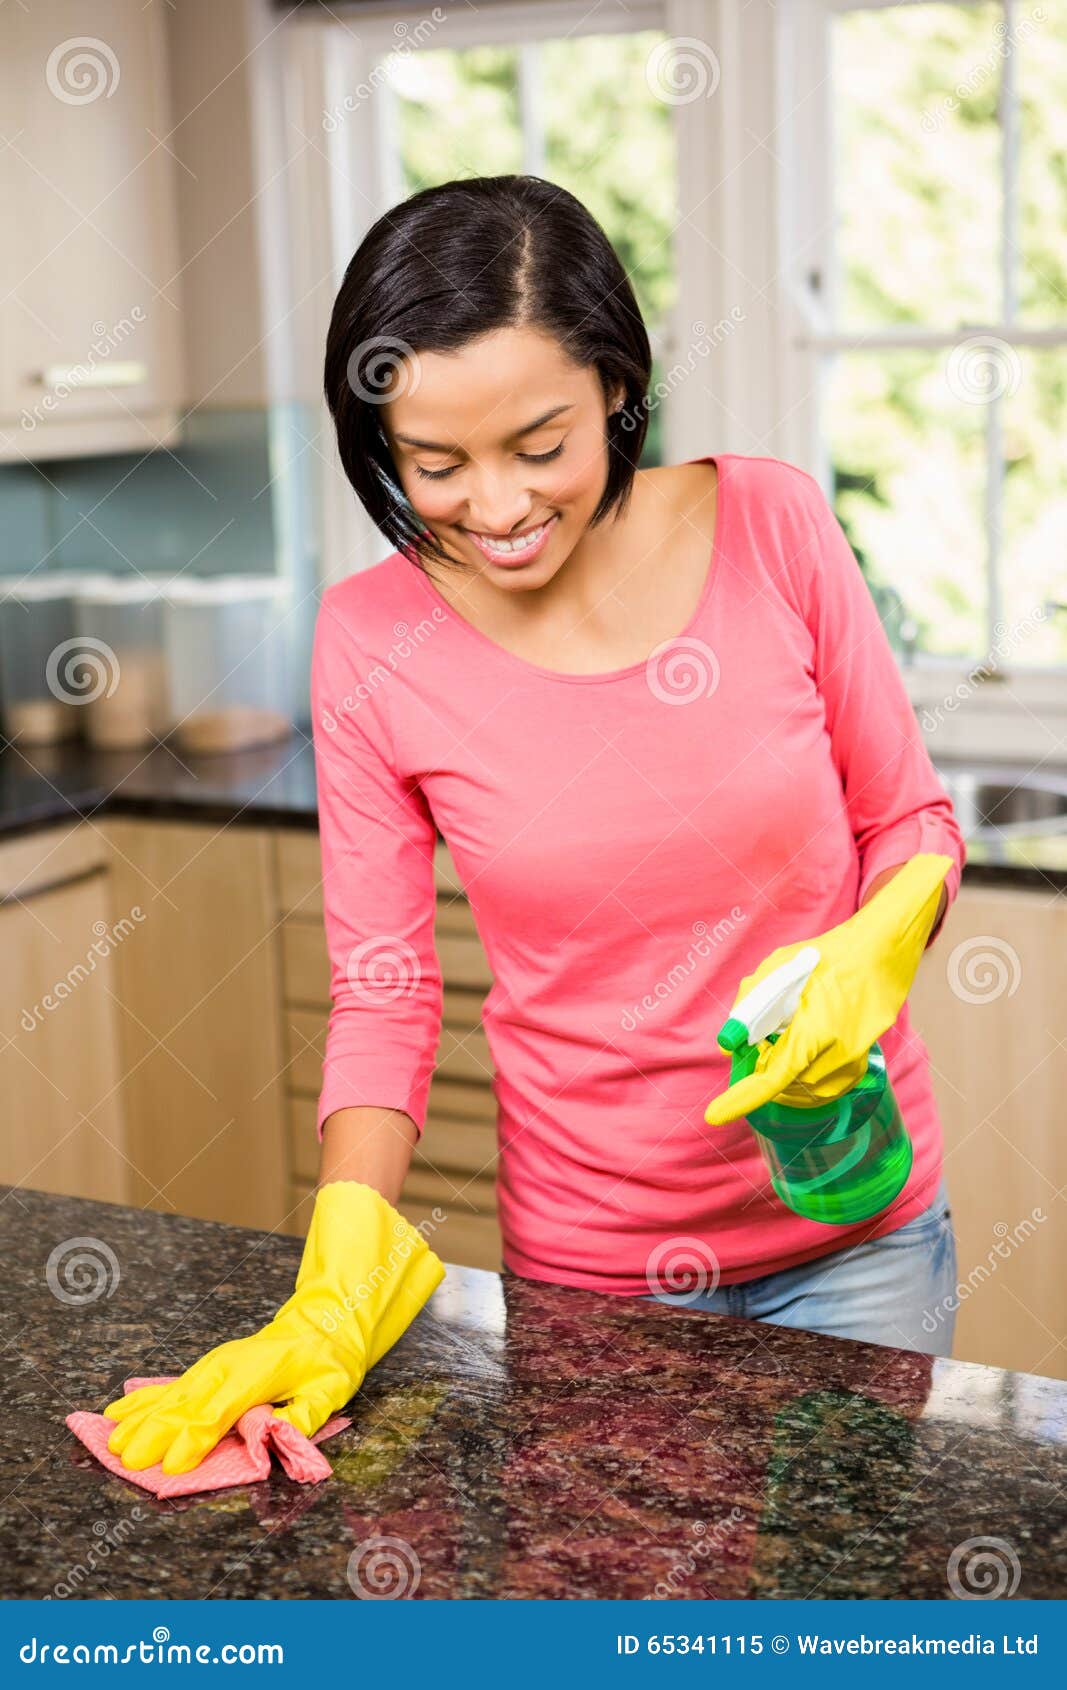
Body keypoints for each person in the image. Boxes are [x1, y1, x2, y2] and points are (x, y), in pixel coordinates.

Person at [105, 175, 964, 1478]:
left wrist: (880, 942)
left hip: (858, 1239)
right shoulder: (371, 641)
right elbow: (386, 989)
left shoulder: (773, 524)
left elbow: (908, 819)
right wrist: (339, 1265)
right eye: (435, 464)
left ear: (617, 387)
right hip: (594, 1272)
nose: (497, 508)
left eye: (539, 445)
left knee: (840, 1587)